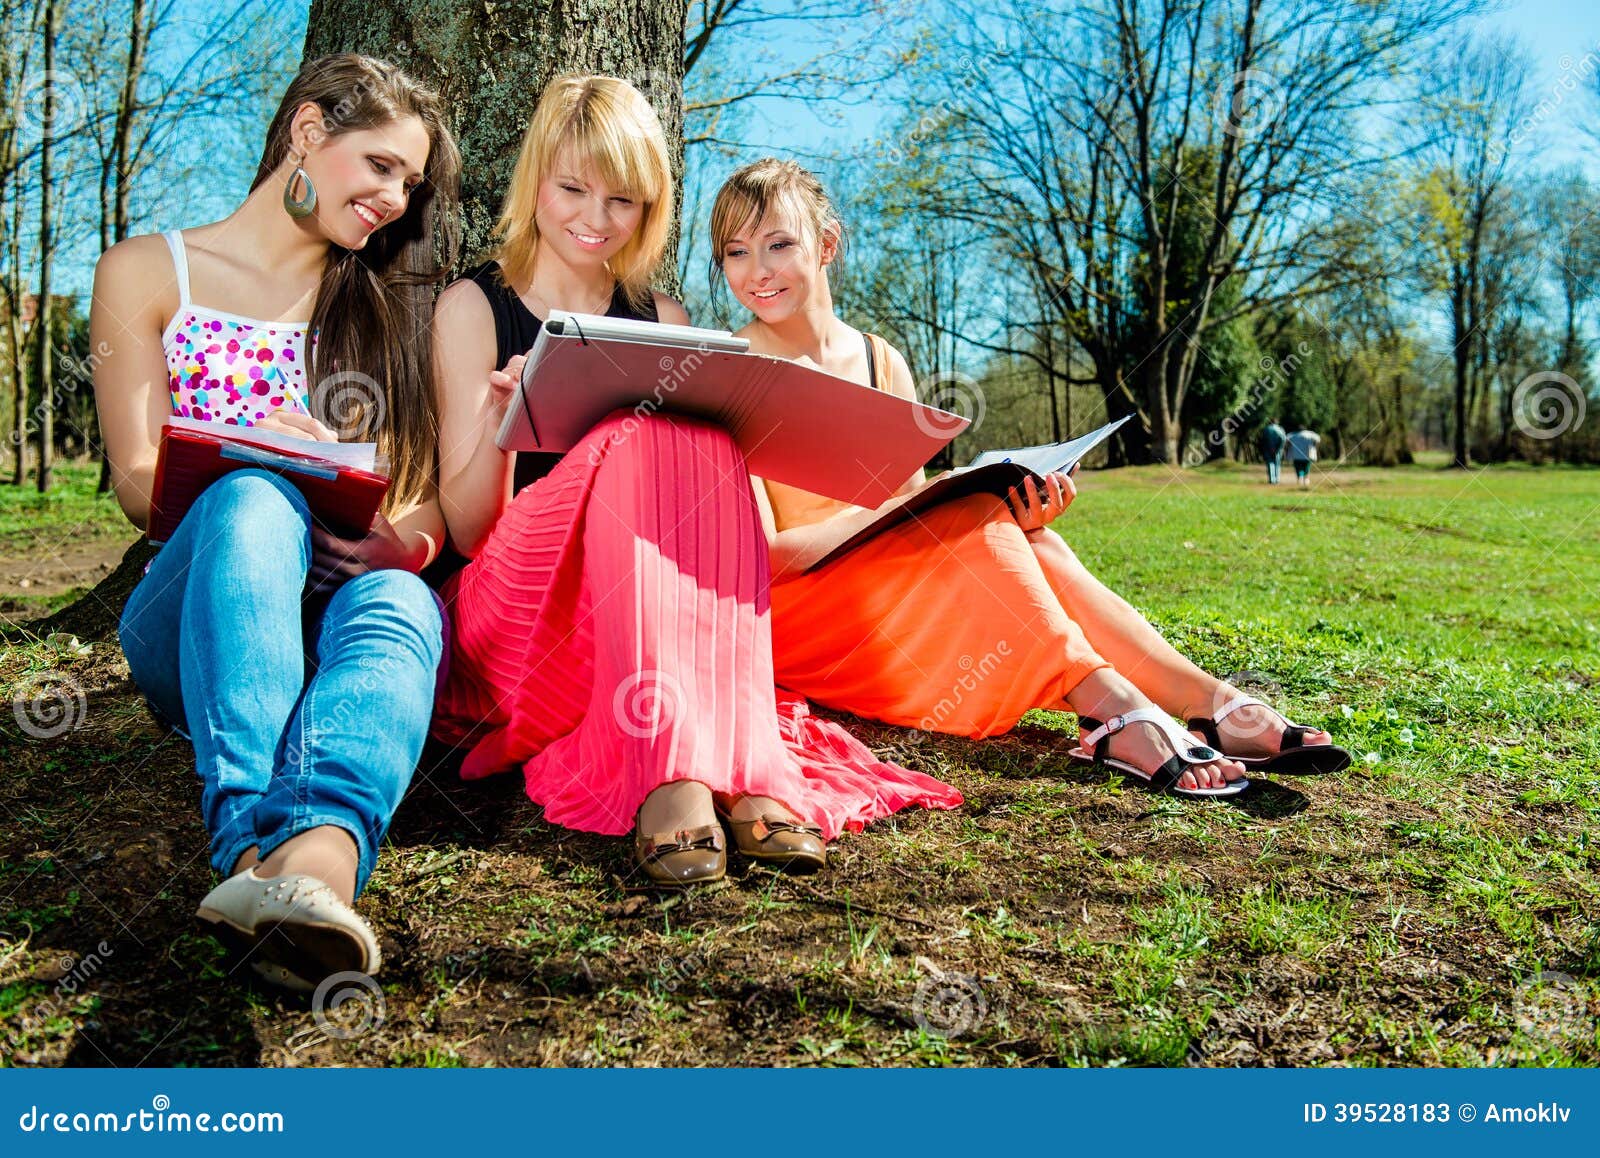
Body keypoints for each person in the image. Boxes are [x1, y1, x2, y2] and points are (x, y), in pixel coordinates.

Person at [427, 77, 961, 888]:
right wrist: (508, 427)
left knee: (703, 439)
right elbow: (468, 536)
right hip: (519, 617)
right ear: (535, 177)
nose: (594, 218)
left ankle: (740, 760)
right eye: (572, 187)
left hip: (635, 625)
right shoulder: (474, 304)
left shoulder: (667, 320)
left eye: (624, 200)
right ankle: (667, 769)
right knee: (641, 433)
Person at [709, 159, 1353, 797]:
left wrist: (1018, 510)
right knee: (969, 518)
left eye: (778, 244)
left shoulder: (882, 360)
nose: (757, 271)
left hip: (893, 591)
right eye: (735, 252)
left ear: (826, 244)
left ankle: (1210, 702)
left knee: (1032, 538)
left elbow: (906, 508)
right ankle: (1112, 706)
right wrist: (927, 510)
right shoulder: (733, 374)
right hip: (808, 618)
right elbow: (763, 558)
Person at [92, 55, 462, 991]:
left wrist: (388, 532)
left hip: (325, 621)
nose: (393, 197)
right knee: (256, 498)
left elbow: (418, 499)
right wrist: (255, 444)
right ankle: (251, 841)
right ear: (307, 133)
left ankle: (317, 870)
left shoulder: (380, 313)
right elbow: (139, 482)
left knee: (403, 602)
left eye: (409, 183)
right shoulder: (147, 268)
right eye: (379, 164)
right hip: (195, 609)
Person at [1286, 423, 1322, 489]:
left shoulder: (1292, 435)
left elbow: (1287, 440)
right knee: (1306, 468)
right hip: (1307, 454)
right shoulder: (1310, 434)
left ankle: (1300, 478)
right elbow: (1318, 439)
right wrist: (1315, 447)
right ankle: (1306, 479)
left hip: (1296, 455)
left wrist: (1289, 449)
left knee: (1298, 468)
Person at [1261, 418, 1287, 485]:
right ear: (1277, 422)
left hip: (1268, 449)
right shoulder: (1280, 429)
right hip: (1278, 450)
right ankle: (1277, 479)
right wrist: (1279, 448)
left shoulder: (1266, 429)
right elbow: (1283, 439)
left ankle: (1272, 480)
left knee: (1270, 464)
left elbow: (1263, 440)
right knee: (1277, 464)